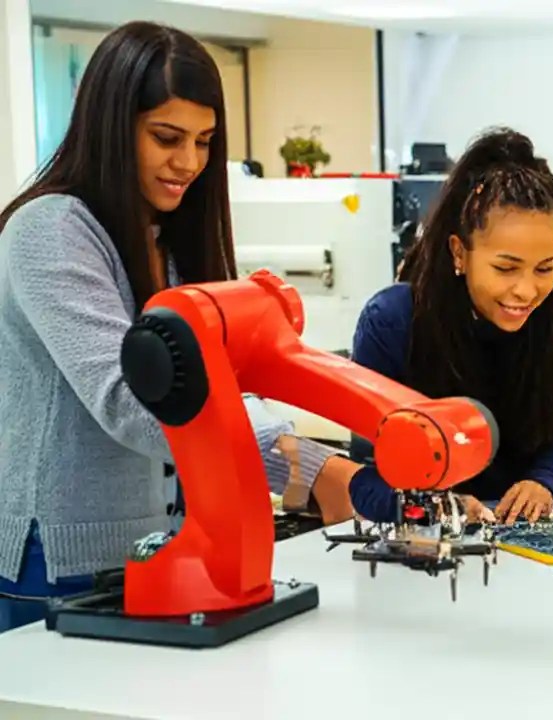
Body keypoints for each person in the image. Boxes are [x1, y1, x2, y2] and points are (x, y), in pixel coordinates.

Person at [0, 22, 358, 632]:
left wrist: (305, 456)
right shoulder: (51, 231)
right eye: (167, 137)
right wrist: (305, 465)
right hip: (58, 563)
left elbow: (217, 382)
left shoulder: (168, 241)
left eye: (204, 141)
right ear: (114, 127)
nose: (189, 162)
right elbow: (127, 397)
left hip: (161, 546)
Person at [347, 127, 553, 525]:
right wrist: (435, 507)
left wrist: (544, 483)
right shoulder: (394, 323)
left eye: (546, 268)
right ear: (460, 252)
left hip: (521, 543)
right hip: (420, 551)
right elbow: (365, 474)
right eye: (505, 268)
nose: (526, 290)